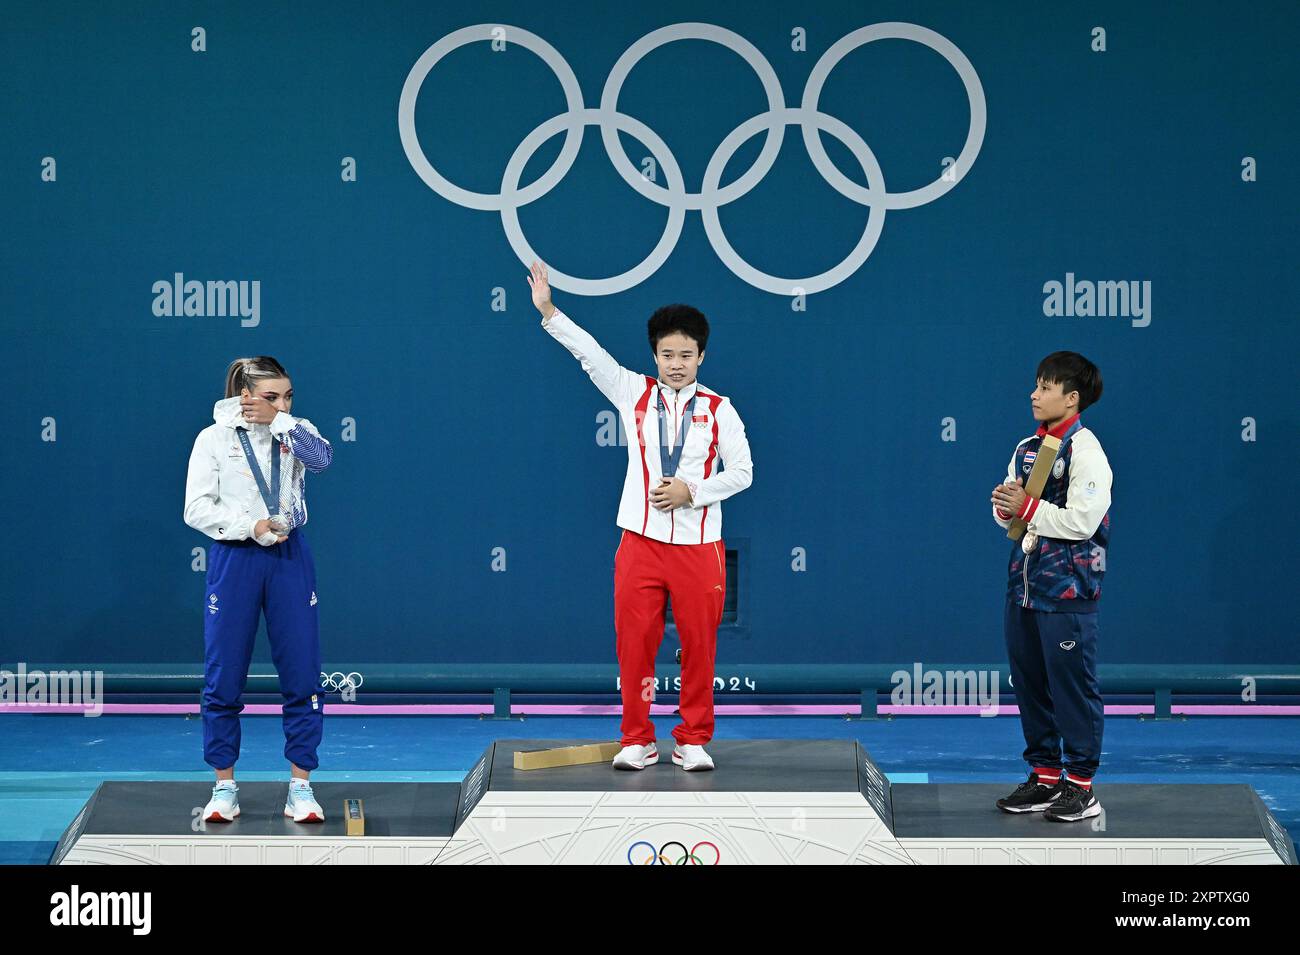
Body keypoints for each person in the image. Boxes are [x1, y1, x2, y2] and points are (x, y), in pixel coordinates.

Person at [527, 261, 753, 771]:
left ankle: (693, 739)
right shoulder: (634, 393)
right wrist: (548, 311)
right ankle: (638, 738)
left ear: (702, 357)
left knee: (699, 648)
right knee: (635, 647)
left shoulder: (721, 410)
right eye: (667, 354)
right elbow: (590, 355)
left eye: (686, 355)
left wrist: (691, 491)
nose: (676, 364)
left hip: (700, 547)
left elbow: (743, 473)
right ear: (654, 355)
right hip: (640, 544)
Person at [183, 356, 334, 823]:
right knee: (223, 674)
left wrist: (283, 420)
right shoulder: (213, 438)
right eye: (272, 397)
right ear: (245, 396)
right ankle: (224, 786)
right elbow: (195, 509)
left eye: (288, 395)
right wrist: (250, 525)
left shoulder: (297, 430)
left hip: (290, 558)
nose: (281, 403)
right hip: (236, 558)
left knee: (303, 673)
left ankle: (301, 787)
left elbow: (323, 460)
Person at [991, 352, 1112, 822]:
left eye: (1045, 386)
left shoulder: (1087, 453)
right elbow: (1012, 507)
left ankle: (1080, 785)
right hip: (1022, 588)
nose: (1034, 394)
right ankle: (1044, 776)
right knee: (1030, 684)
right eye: (1036, 385)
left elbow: (1082, 522)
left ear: (1072, 397)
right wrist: (1004, 506)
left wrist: (1025, 508)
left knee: (1071, 688)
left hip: (1067, 593)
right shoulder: (1025, 447)